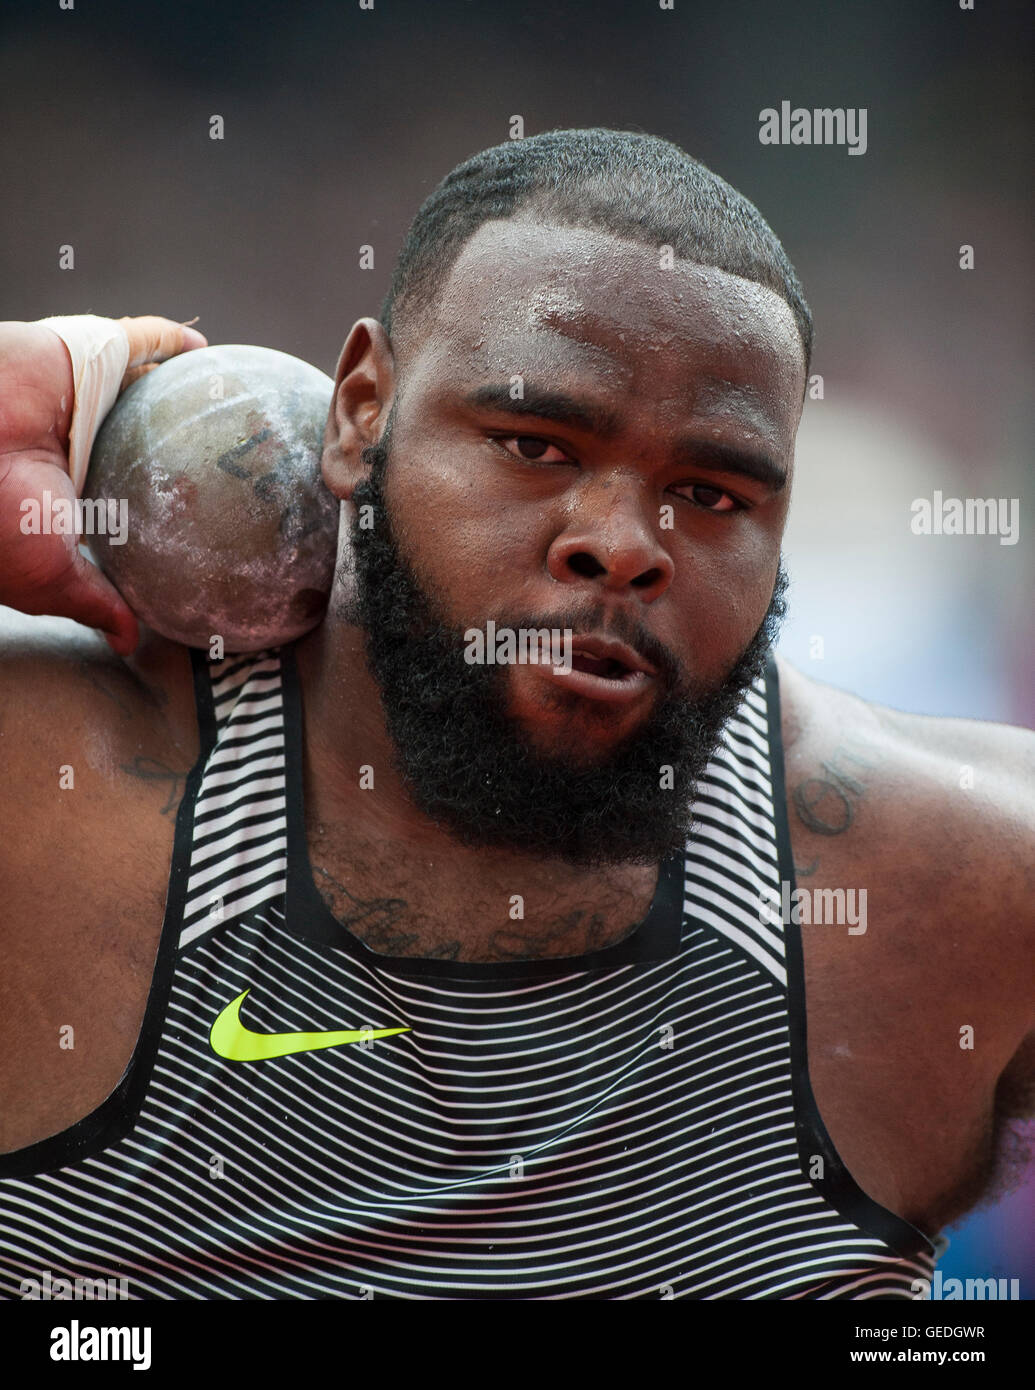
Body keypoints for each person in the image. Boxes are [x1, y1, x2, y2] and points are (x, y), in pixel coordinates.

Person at [0, 128, 1031, 1301]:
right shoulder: (44, 799)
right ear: (360, 410)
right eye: (533, 443)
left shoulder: (961, 876)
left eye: (712, 492)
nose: (626, 544)